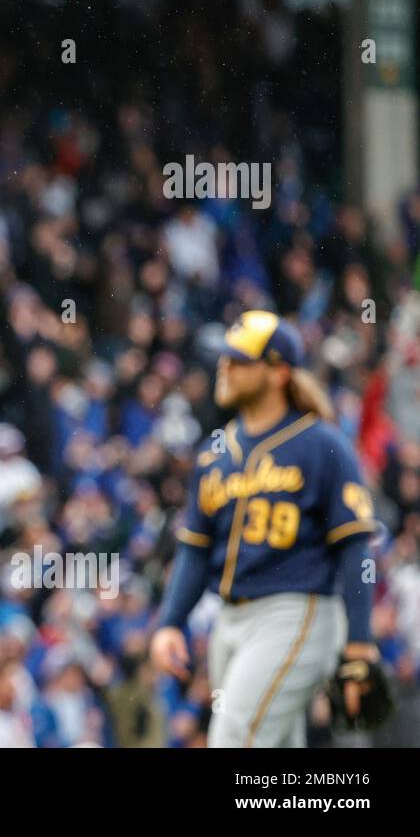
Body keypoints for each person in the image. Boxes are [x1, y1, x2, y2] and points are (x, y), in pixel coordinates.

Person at [149, 311, 380, 747]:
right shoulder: (215, 452)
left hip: (296, 612)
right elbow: (194, 550)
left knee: (234, 739)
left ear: (278, 372)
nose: (226, 367)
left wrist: (360, 644)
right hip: (229, 619)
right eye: (225, 358)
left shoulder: (321, 444)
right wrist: (170, 622)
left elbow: (355, 547)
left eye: (240, 360)